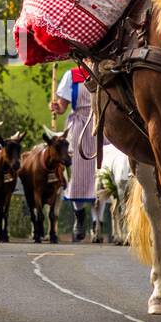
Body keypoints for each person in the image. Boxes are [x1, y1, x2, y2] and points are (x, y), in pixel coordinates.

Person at [49, 65, 96, 242]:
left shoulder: (107, 67)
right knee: (78, 172)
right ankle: (80, 216)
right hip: (79, 125)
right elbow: (62, 107)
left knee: (103, 172)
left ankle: (96, 222)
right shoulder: (73, 75)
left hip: (103, 123)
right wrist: (57, 107)